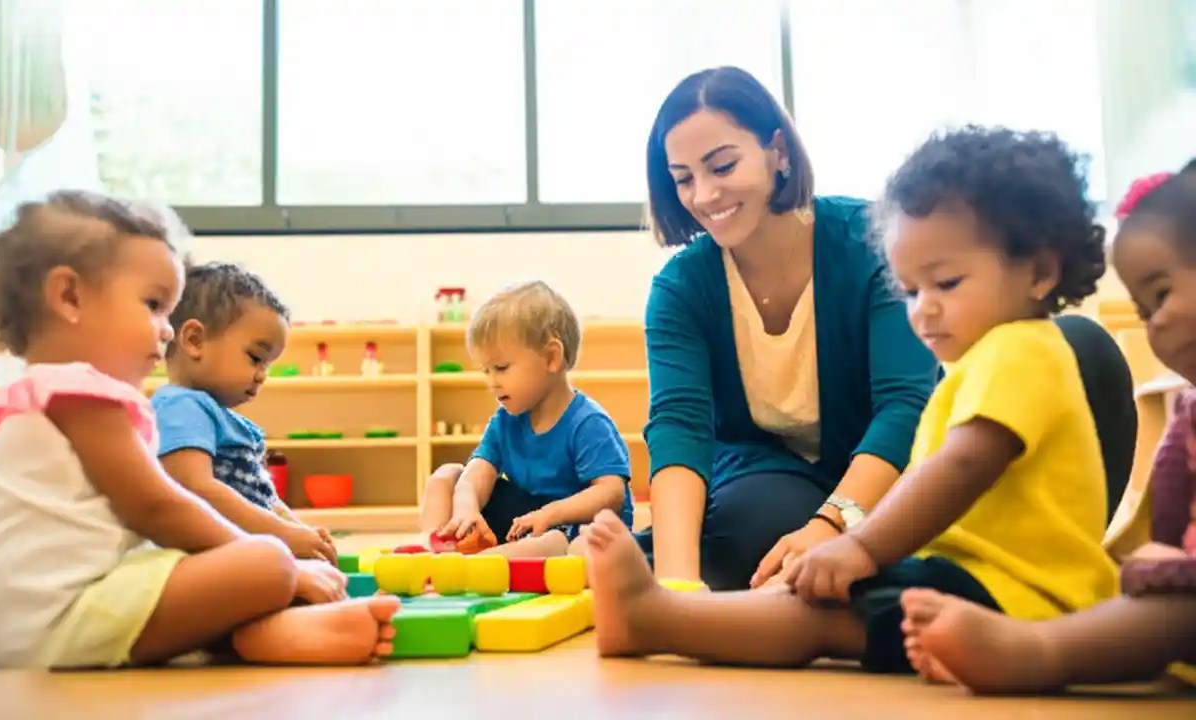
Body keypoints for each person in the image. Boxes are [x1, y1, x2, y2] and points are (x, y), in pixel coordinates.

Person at [583, 126, 1120, 676]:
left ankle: (655, 619)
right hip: (971, 576)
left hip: (1015, 593)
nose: (922, 311)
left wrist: (859, 546)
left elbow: (958, 466)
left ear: (1038, 272)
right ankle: (657, 608)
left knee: (818, 615)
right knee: (811, 599)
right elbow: (679, 422)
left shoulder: (1020, 353)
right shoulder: (989, 360)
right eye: (910, 291)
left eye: (947, 284)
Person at [0, 191, 398, 669]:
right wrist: (286, 568)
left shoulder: (51, 394)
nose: (166, 330)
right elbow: (157, 506)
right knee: (266, 562)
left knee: (228, 569)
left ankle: (270, 636)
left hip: (45, 616)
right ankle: (271, 618)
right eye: (153, 306)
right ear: (69, 296)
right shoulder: (82, 396)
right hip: (61, 617)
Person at [900, 160, 1196, 694]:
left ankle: (1037, 651)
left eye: (1163, 294)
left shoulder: (1021, 352)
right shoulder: (1188, 415)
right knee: (1165, 611)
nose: (1157, 324)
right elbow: (1170, 510)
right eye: (1144, 308)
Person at [637, 66, 937, 590]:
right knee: (755, 531)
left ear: (778, 151)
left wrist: (831, 524)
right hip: (771, 481)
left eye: (722, 166)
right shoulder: (680, 288)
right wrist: (675, 587)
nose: (705, 194)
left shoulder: (872, 244)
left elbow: (904, 405)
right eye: (684, 178)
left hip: (889, 467)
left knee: (835, 539)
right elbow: (679, 428)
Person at [419, 280, 633, 558]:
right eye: (486, 371)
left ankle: (491, 562)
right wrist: (465, 510)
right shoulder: (505, 420)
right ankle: (433, 547)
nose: (492, 382)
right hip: (524, 523)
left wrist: (551, 513)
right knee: (447, 475)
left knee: (561, 542)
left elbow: (611, 493)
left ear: (551, 358)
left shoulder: (587, 422)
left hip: (574, 526)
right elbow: (474, 478)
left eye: (501, 368)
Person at [151, 261, 337, 563]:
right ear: (195, 341)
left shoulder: (226, 420)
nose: (262, 375)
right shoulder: (179, 405)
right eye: (255, 358)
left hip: (245, 550)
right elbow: (196, 489)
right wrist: (284, 536)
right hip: (207, 557)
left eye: (268, 365)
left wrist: (302, 532)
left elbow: (265, 499)